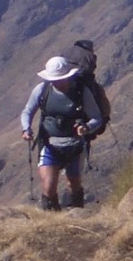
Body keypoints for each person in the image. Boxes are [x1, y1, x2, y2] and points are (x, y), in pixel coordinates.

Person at [21, 55, 106, 210]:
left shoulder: (81, 92)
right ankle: (52, 219)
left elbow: (96, 118)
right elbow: (28, 111)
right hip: (49, 144)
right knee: (48, 186)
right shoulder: (42, 90)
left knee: (73, 183)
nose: (56, 82)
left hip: (75, 145)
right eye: (54, 80)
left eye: (60, 79)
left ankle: (76, 215)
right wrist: (26, 128)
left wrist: (86, 128)